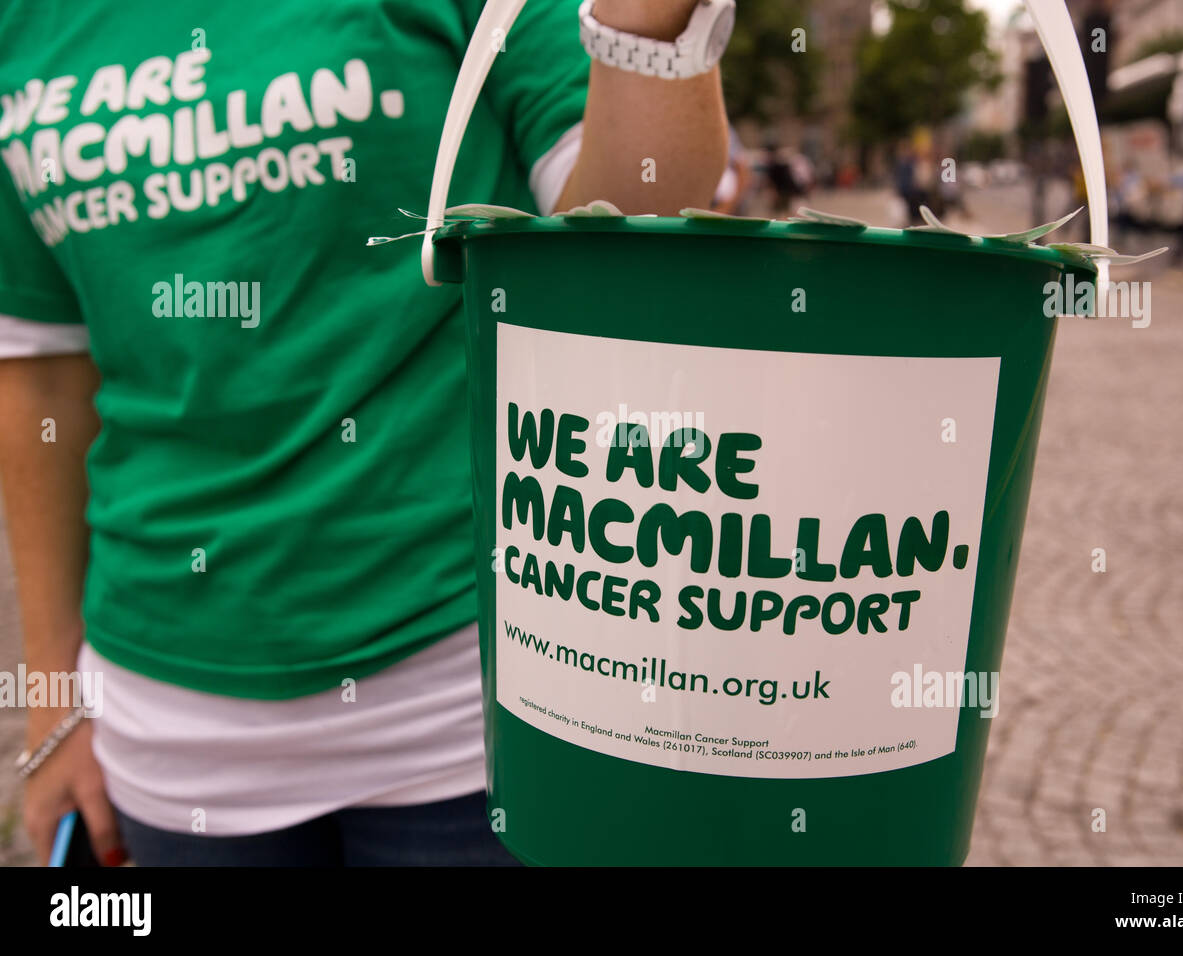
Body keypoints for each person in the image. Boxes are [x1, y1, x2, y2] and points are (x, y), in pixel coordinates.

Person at [0, 0, 728, 867]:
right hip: (169, 723)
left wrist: (647, 25)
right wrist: (53, 699)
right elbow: (40, 369)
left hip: (481, 692)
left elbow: (632, 234)